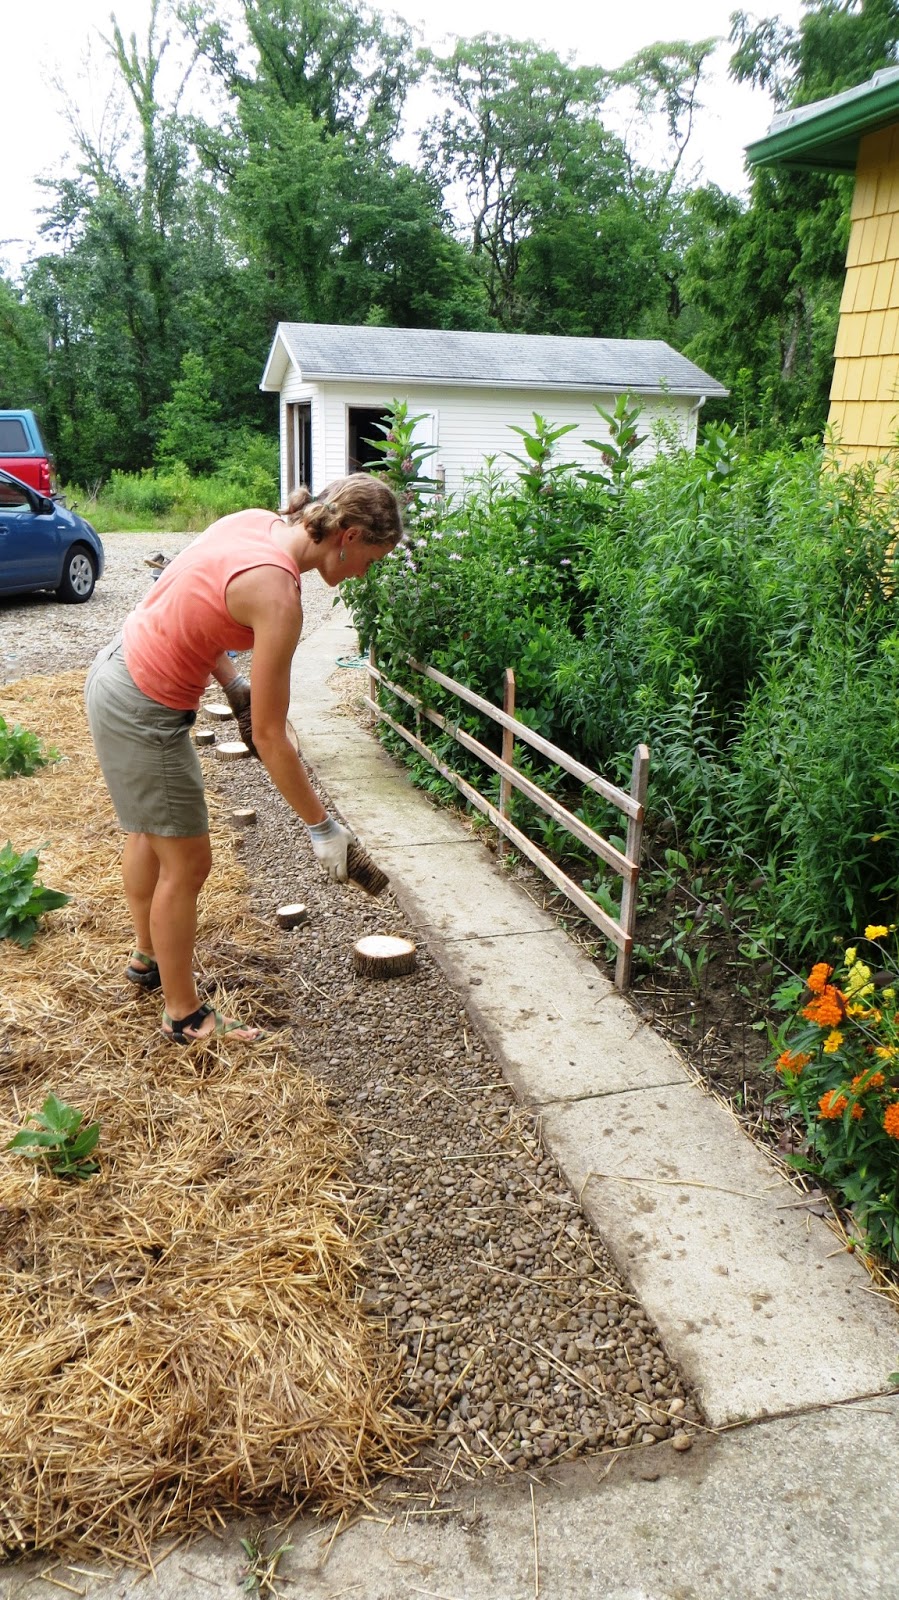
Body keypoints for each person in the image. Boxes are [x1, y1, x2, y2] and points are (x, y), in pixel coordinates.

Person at [85, 475, 403, 1045]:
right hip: (143, 707)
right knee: (188, 864)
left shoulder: (256, 523)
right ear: (347, 537)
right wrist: (323, 828)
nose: (364, 573)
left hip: (116, 669)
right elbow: (270, 736)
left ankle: (146, 959)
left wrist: (230, 678)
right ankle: (183, 1016)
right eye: (370, 559)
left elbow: (190, 602)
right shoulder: (280, 596)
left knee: (149, 834)